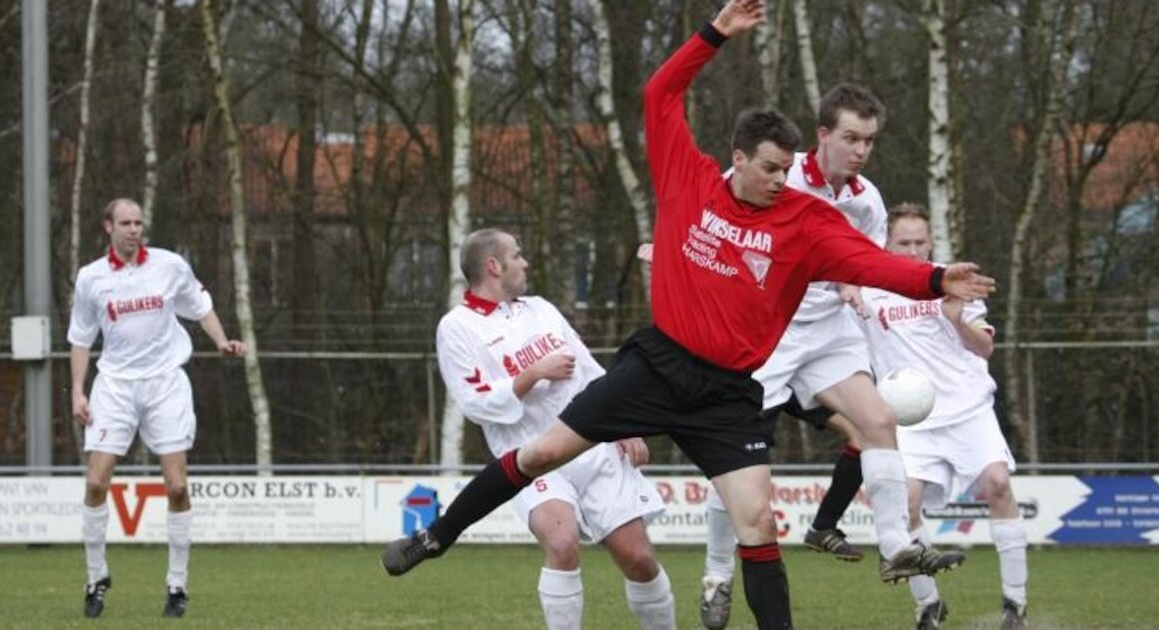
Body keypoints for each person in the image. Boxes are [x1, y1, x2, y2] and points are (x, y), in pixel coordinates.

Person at [381, 3, 995, 628]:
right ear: (737, 158)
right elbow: (660, 93)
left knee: (758, 523)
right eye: (768, 168)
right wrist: (714, 34)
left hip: (727, 394)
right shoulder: (688, 177)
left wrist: (934, 278)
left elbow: (870, 263)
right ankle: (436, 535)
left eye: (787, 170)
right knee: (541, 455)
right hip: (657, 367)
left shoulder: (806, 222)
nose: (780, 181)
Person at [697, 83, 961, 630]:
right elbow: (713, 209)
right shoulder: (779, 173)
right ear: (822, 135)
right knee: (736, 461)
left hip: (828, 331)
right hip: (767, 329)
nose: (861, 150)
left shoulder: (867, 200)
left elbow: (862, 260)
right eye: (850, 138)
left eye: (869, 140)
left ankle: (896, 546)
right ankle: (716, 575)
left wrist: (850, 282)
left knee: (878, 421)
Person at [435, 227, 675, 630]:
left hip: (591, 444)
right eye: (517, 255)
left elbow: (591, 372)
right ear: (493, 266)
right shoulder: (457, 327)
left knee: (637, 557)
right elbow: (474, 403)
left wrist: (625, 425)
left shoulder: (542, 309)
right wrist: (531, 375)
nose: (525, 263)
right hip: (531, 457)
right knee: (562, 544)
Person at [68, 198, 246, 619]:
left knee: (177, 487)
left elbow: (201, 306)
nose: (134, 229)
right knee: (95, 483)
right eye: (125, 223)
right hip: (115, 386)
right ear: (108, 226)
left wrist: (221, 341)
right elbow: (80, 338)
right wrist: (77, 391)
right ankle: (96, 577)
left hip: (166, 384)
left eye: (138, 223)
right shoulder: (91, 278)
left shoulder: (170, 266)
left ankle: (177, 585)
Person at [857, 203, 1028, 630]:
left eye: (920, 242)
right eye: (904, 243)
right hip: (911, 420)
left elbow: (985, 348)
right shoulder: (868, 290)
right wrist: (845, 288)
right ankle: (928, 606)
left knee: (998, 484)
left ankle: (1015, 605)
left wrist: (956, 320)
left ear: (931, 241)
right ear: (886, 243)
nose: (913, 250)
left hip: (968, 408)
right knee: (906, 505)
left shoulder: (952, 281)